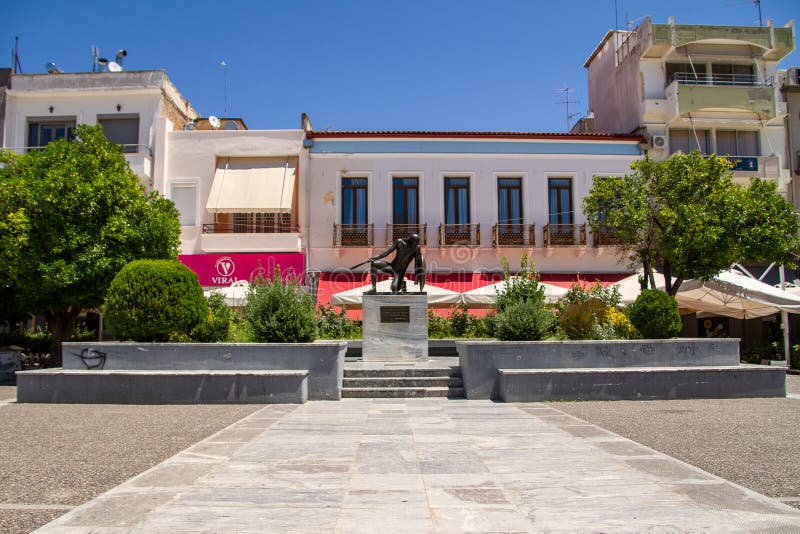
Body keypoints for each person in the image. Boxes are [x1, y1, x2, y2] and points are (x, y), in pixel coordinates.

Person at [357, 234, 425, 293]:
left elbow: (418, 263)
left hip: (400, 273)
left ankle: (402, 283)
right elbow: (387, 252)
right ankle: (373, 288)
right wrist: (375, 258)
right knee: (374, 264)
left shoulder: (416, 248)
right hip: (392, 267)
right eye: (415, 243)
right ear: (410, 240)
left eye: (417, 243)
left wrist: (416, 278)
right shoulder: (399, 242)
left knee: (394, 289)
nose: (416, 244)